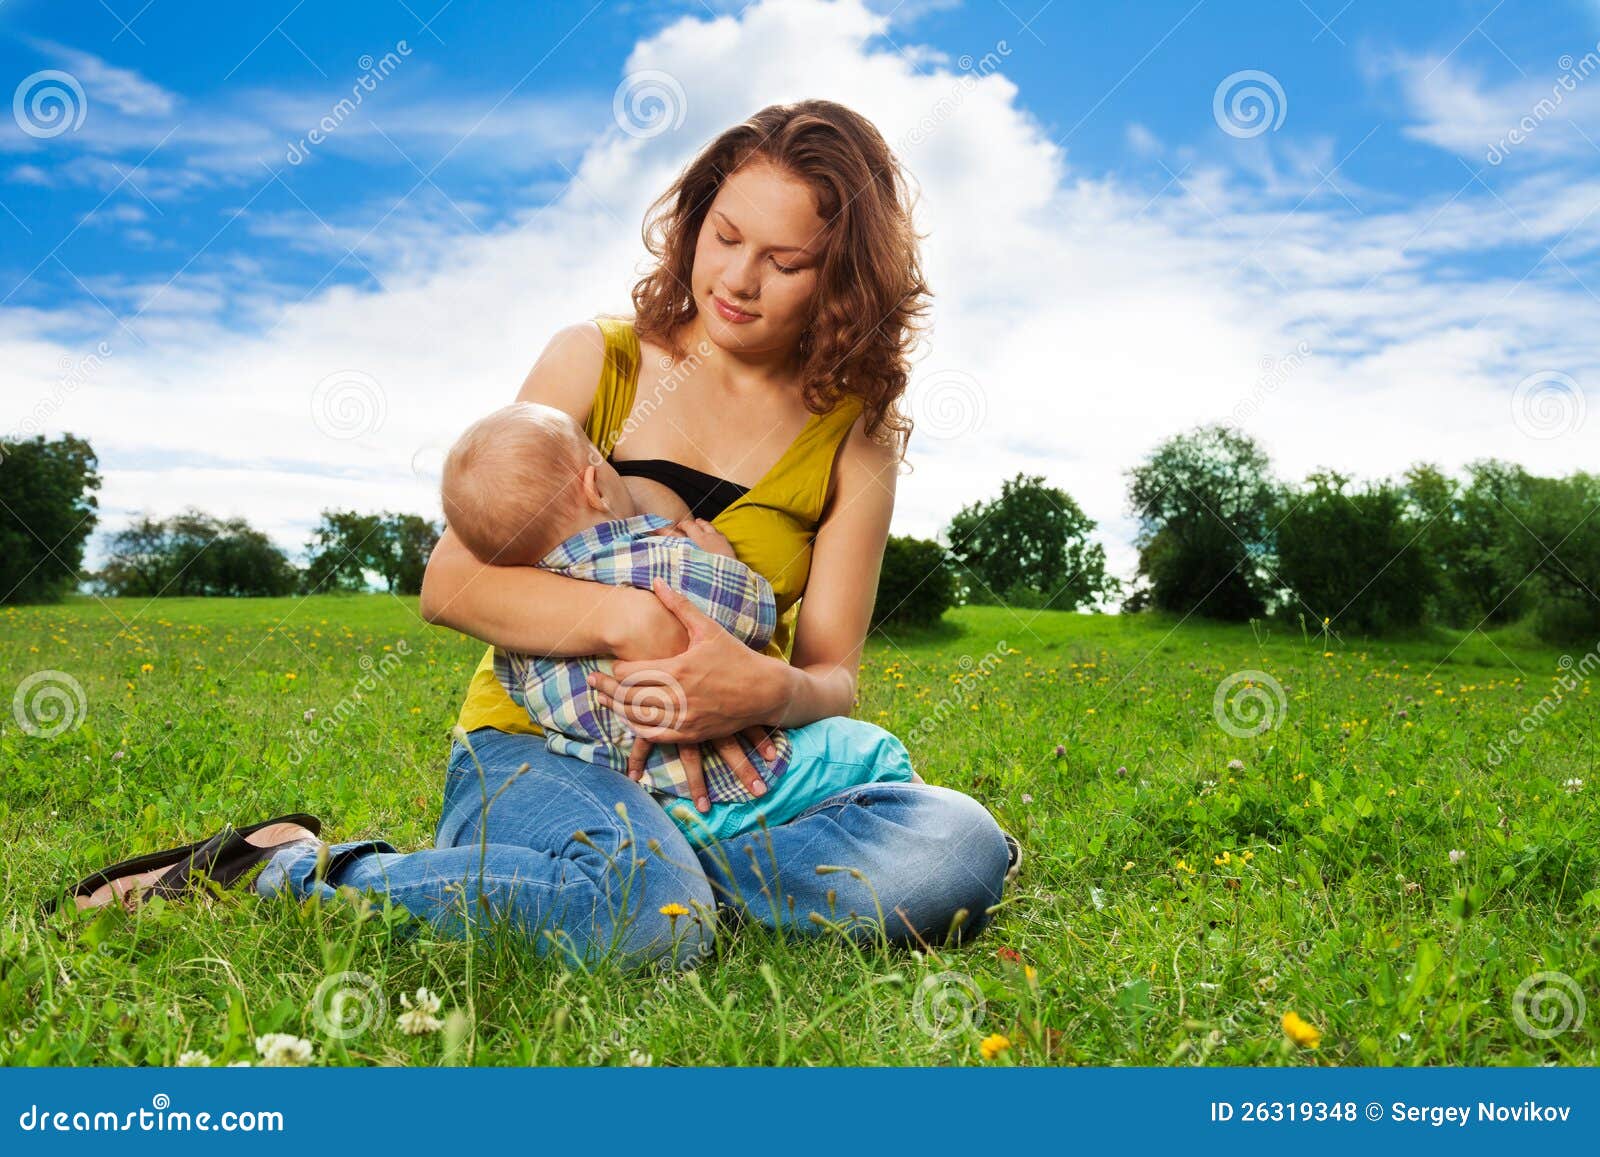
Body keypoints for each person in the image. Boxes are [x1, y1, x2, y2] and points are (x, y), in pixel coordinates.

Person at [61, 100, 1014, 970]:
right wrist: (630, 624)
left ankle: (619, 887)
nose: (737, 277)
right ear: (696, 220)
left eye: (786, 261)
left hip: (739, 774)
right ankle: (278, 870)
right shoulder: (597, 360)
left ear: (842, 278)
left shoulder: (853, 436)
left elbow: (833, 674)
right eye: (725, 236)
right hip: (537, 753)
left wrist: (765, 687)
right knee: (650, 920)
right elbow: (453, 584)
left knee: (956, 846)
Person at [435, 399, 918, 849]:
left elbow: (523, 691)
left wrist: (770, 692)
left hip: (621, 784)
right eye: (600, 457)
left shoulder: (521, 632)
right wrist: (722, 563)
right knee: (875, 753)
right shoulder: (658, 559)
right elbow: (750, 620)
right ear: (596, 486)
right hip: (723, 788)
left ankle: (682, 875)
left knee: (639, 878)